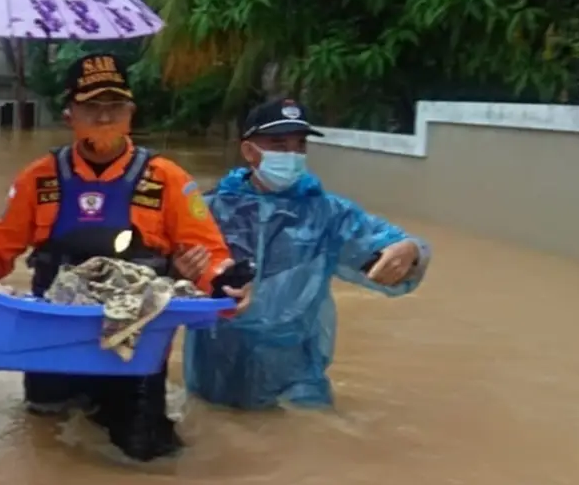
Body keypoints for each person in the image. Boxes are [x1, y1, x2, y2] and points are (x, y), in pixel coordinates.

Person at [0, 53, 251, 461]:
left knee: (147, 459)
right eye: (92, 107)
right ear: (70, 114)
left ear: (131, 113)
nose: (104, 118)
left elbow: (209, 256)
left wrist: (225, 281)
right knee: (46, 454)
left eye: (114, 107)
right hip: (52, 348)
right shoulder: (37, 179)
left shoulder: (168, 180)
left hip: (136, 349)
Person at [175, 97, 431, 410]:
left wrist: (410, 251)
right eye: (278, 144)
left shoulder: (329, 214)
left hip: (296, 381)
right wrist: (179, 271)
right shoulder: (208, 210)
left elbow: (389, 250)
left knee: (309, 442)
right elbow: (159, 274)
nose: (292, 155)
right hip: (214, 373)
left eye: (299, 145)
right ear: (248, 151)